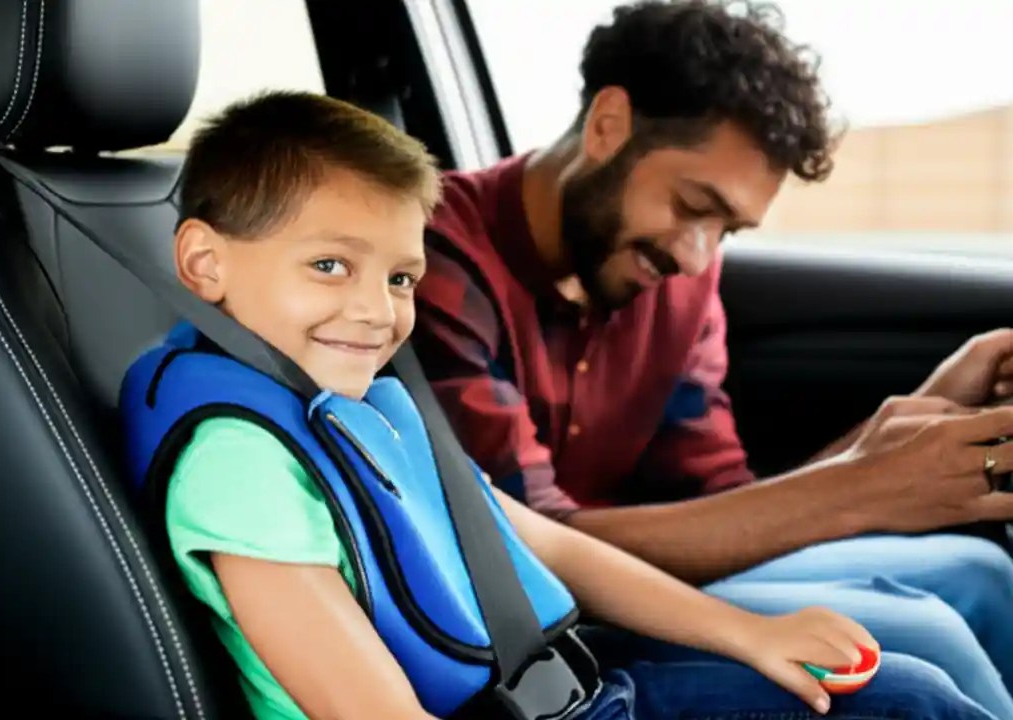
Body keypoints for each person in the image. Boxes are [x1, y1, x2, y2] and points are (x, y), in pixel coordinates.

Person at [124, 90, 998, 720]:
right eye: (330, 266)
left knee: (907, 692)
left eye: (399, 277)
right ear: (205, 265)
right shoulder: (239, 465)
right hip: (521, 702)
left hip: (565, 687)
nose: (375, 310)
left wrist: (746, 632)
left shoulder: (363, 414)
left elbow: (536, 539)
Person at [409, 0, 1013, 715]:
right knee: (929, 639)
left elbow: (725, 507)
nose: (697, 253)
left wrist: (902, 435)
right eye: (694, 204)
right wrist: (863, 485)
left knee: (982, 574)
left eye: (726, 229)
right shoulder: (433, 259)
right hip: (550, 616)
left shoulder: (679, 285)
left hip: (666, 574)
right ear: (608, 126)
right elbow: (532, 545)